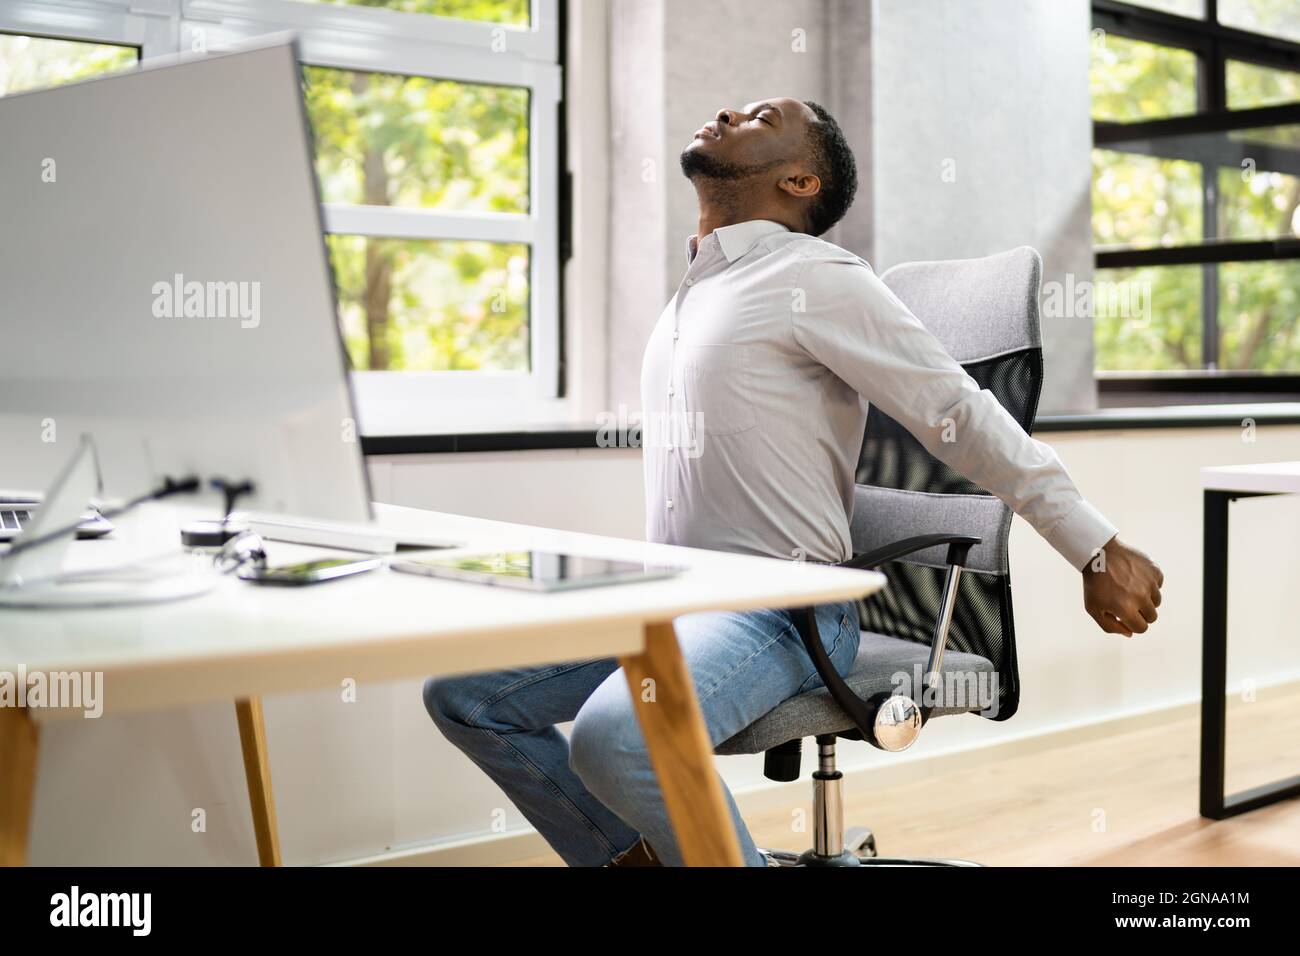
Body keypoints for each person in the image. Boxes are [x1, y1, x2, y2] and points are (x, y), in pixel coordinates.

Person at [424, 97, 1164, 867]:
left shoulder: (817, 275)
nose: (727, 111)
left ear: (800, 182)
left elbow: (959, 414)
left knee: (620, 739)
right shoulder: (696, 292)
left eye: (761, 118)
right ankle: (635, 859)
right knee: (467, 696)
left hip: (783, 609)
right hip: (672, 601)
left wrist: (1096, 547)